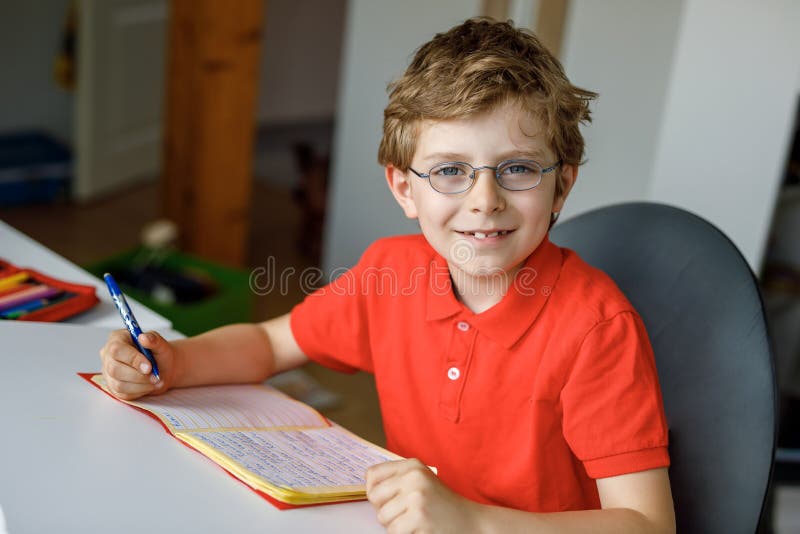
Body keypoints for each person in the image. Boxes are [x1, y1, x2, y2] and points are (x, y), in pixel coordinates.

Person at [100, 17, 675, 533]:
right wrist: (174, 363)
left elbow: (649, 524)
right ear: (404, 188)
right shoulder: (390, 271)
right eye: (450, 170)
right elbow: (270, 343)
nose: (485, 200)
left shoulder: (597, 328)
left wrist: (474, 524)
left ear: (562, 186)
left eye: (518, 169)